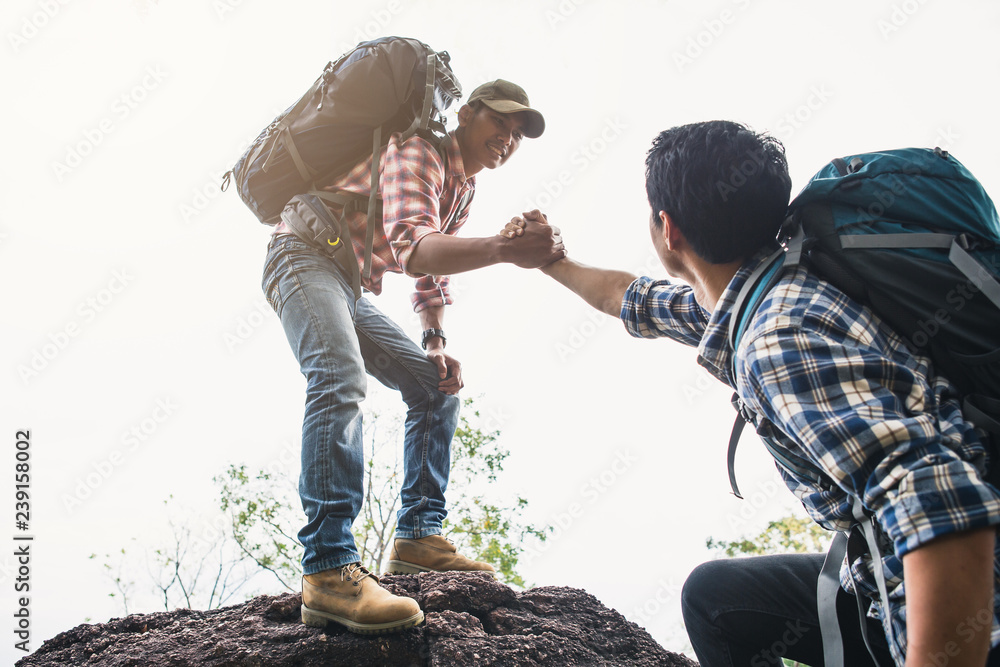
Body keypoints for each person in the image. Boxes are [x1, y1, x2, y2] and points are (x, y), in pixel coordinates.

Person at [504, 120, 1000, 665]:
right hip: (894, 571)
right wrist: (551, 261)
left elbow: (938, 499)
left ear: (668, 229)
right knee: (715, 597)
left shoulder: (776, 338)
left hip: (966, 608)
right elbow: (631, 298)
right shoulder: (772, 290)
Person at [262, 79, 565, 635]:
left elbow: (430, 266)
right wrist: (503, 250)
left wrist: (435, 342)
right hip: (303, 256)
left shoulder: (462, 188)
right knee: (338, 379)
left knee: (433, 387)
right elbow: (411, 244)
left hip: (346, 282)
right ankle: (327, 569)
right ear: (468, 114)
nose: (508, 137)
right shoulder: (419, 149)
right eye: (501, 121)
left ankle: (418, 536)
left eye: (519, 132)